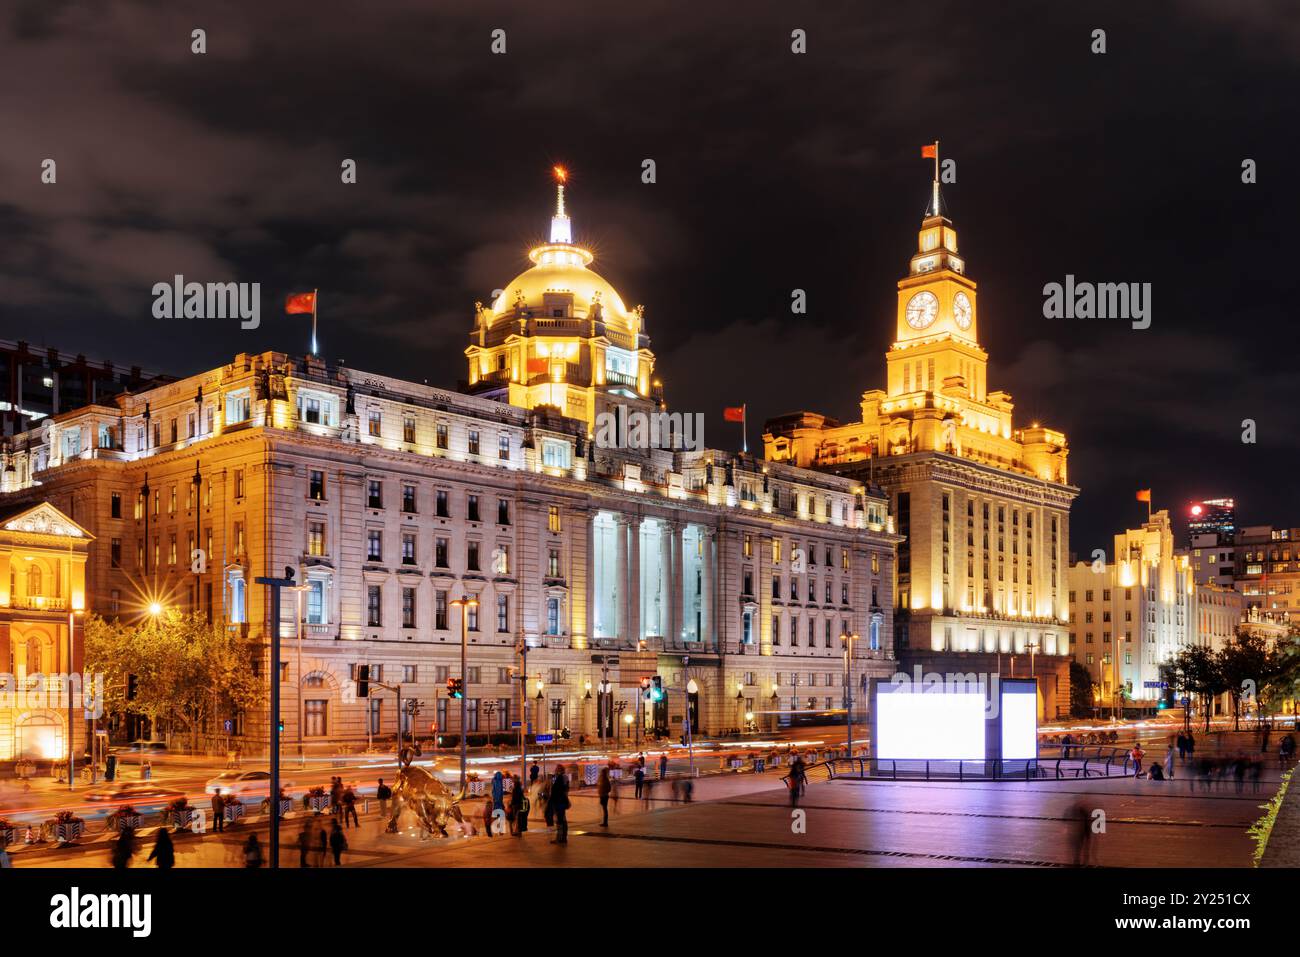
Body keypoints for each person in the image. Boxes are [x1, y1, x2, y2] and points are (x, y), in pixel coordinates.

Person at [549, 765, 570, 844]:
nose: (555, 770)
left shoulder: (560, 778)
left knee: (559, 820)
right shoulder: (564, 778)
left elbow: (557, 791)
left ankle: (559, 838)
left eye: (556, 769)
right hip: (562, 801)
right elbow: (565, 790)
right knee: (563, 820)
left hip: (559, 802)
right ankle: (564, 837)